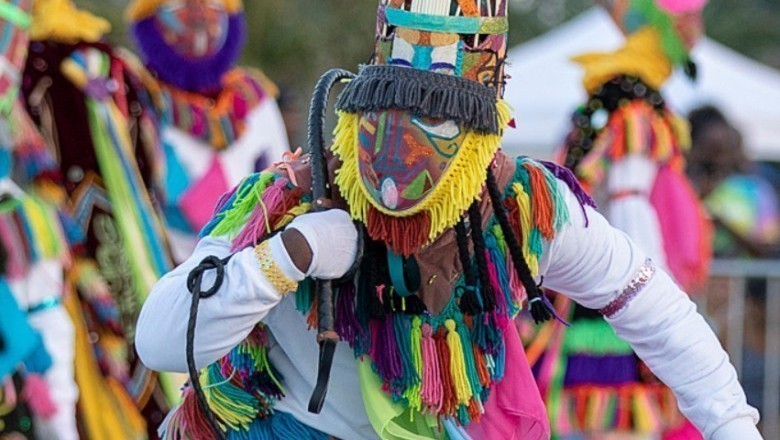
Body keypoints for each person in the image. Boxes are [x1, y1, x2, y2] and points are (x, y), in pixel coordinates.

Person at [137, 0, 761, 439]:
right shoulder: (291, 198)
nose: (401, 154)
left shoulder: (525, 207)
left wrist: (733, 426)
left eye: (439, 119)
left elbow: (655, 307)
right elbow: (161, 340)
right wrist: (287, 256)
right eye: (387, 113)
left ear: (484, 135)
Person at [533, 1, 715, 438]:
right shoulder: (636, 108)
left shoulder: (611, 98)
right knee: (623, 422)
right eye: (692, 19)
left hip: (597, 280)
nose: (698, 30)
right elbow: (629, 200)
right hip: (621, 286)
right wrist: (655, 290)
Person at [126, 0, 291, 263]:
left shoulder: (254, 99)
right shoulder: (136, 101)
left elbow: (285, 185)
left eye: (212, 3)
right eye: (179, 4)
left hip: (252, 266)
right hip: (167, 268)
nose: (199, 16)